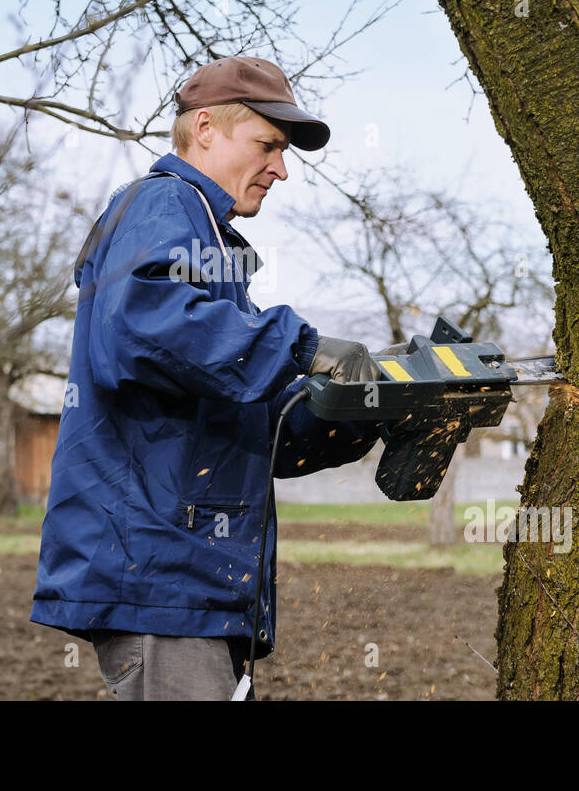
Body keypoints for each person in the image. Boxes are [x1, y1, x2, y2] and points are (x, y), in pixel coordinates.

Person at [31, 56, 384, 700]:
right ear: (204, 129)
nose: (280, 168)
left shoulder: (212, 250)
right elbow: (145, 326)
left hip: (195, 586)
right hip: (159, 578)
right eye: (268, 145)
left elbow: (267, 430)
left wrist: (366, 407)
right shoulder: (162, 202)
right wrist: (305, 346)